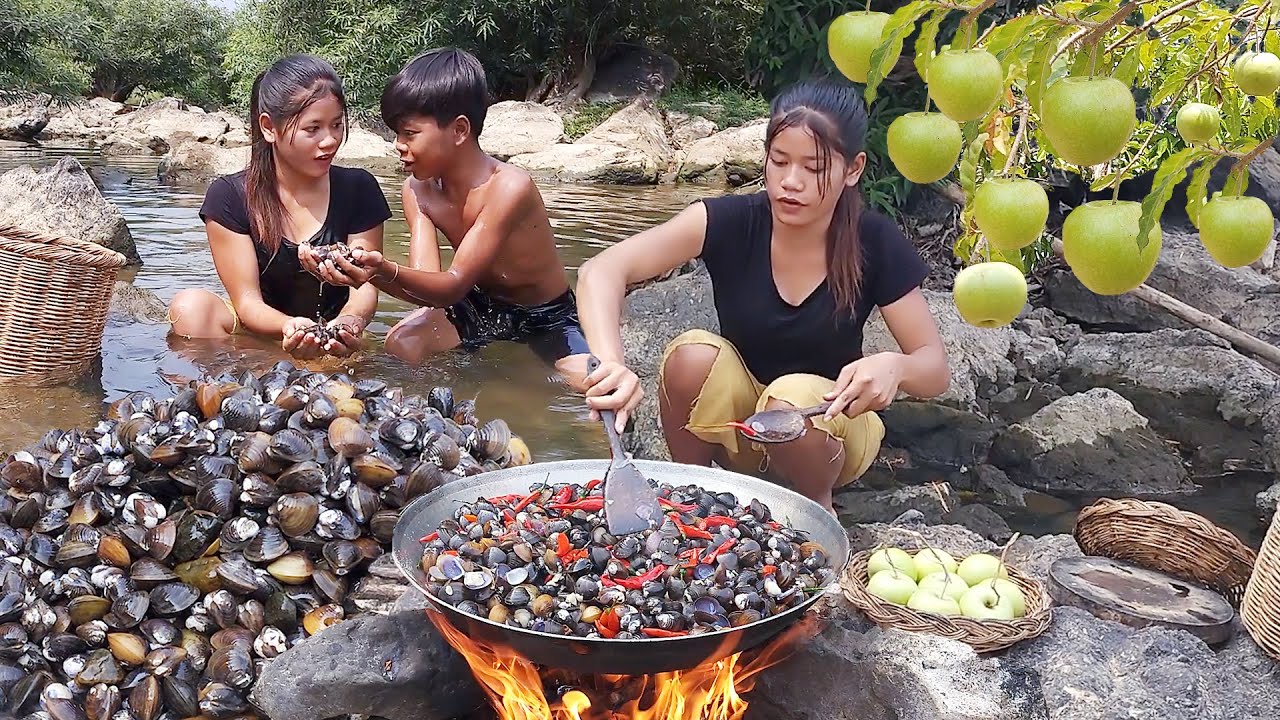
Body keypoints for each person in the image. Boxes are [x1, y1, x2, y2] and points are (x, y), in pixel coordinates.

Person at [575, 80, 951, 513]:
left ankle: (816, 513)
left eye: (814, 168)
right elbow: (600, 271)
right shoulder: (732, 221)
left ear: (853, 169)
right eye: (779, 161)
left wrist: (896, 367)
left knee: (788, 396)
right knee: (690, 355)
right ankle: (692, 498)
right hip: (742, 428)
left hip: (828, 430)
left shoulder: (874, 241)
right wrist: (611, 367)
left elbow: (933, 368)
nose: (791, 182)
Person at [304, 47, 590, 386]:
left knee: (587, 381)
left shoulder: (509, 187)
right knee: (402, 342)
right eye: (397, 134)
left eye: (409, 134)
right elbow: (428, 284)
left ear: (458, 131)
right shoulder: (417, 190)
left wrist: (377, 271)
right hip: (479, 305)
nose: (398, 145)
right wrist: (359, 269)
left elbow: (451, 287)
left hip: (546, 314)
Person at [167, 54, 391, 361]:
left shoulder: (359, 189)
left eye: (336, 125)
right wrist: (291, 328)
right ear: (269, 127)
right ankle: (260, 371)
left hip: (336, 338)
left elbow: (363, 287)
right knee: (189, 309)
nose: (330, 141)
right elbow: (247, 303)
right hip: (260, 331)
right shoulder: (229, 197)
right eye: (313, 129)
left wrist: (350, 322)